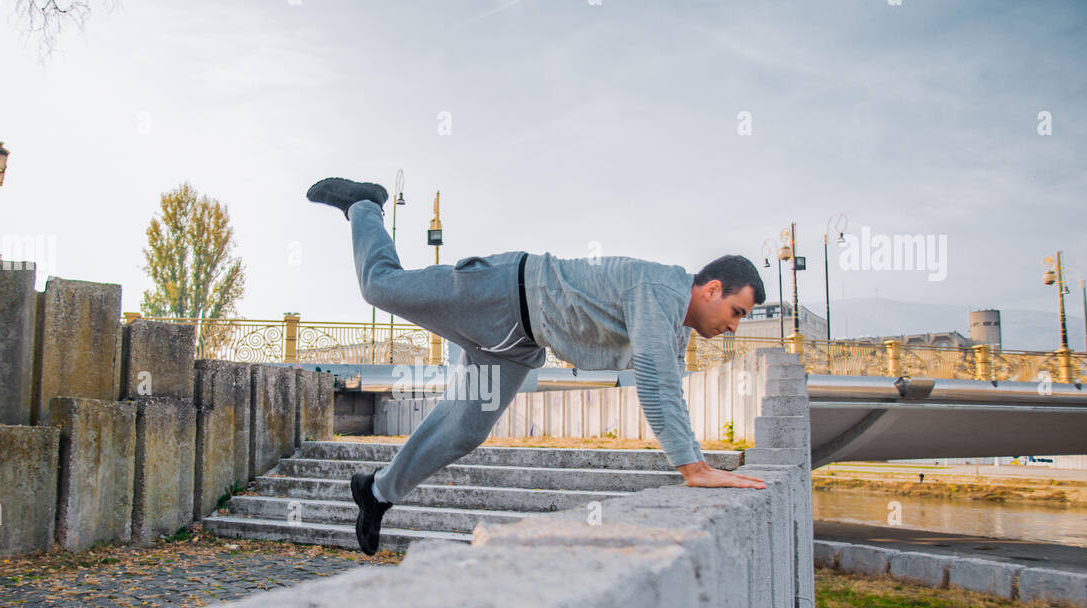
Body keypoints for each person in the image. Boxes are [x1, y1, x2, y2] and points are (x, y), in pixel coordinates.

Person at [307, 177, 769, 555]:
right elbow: (656, 381)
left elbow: (670, 385)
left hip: (516, 345)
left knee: (464, 430)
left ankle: (376, 493)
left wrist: (697, 462)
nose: (733, 328)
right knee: (380, 287)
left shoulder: (674, 324)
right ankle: (365, 205)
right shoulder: (662, 290)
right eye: (737, 313)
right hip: (498, 293)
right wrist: (694, 467)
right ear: (710, 290)